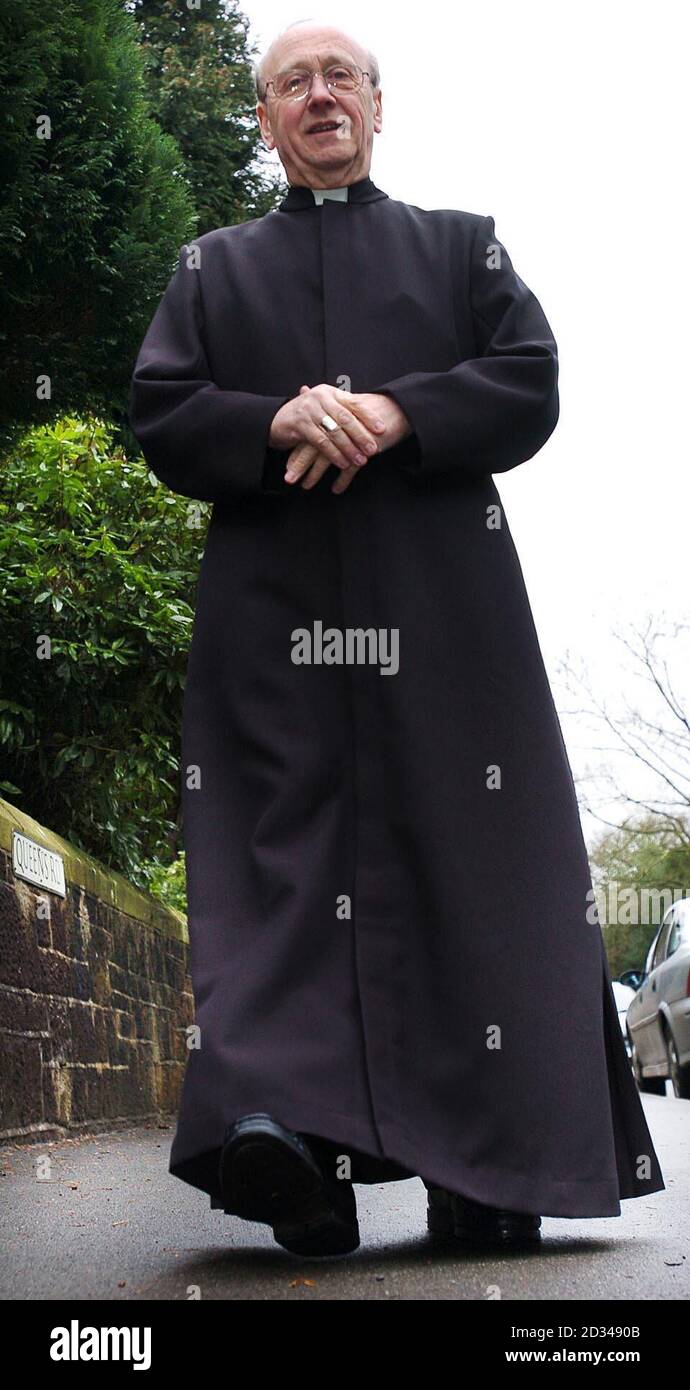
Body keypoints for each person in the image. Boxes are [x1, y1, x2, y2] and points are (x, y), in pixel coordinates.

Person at [129, 17, 665, 1258]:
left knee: (473, 870)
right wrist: (278, 422)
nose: (319, 98)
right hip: (273, 630)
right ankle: (291, 1153)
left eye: (340, 79)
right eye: (290, 86)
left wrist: (388, 410)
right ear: (263, 122)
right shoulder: (210, 269)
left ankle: (488, 1166)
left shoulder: (463, 248)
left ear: (380, 105)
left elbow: (530, 377)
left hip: (449, 625)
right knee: (280, 874)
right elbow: (163, 411)